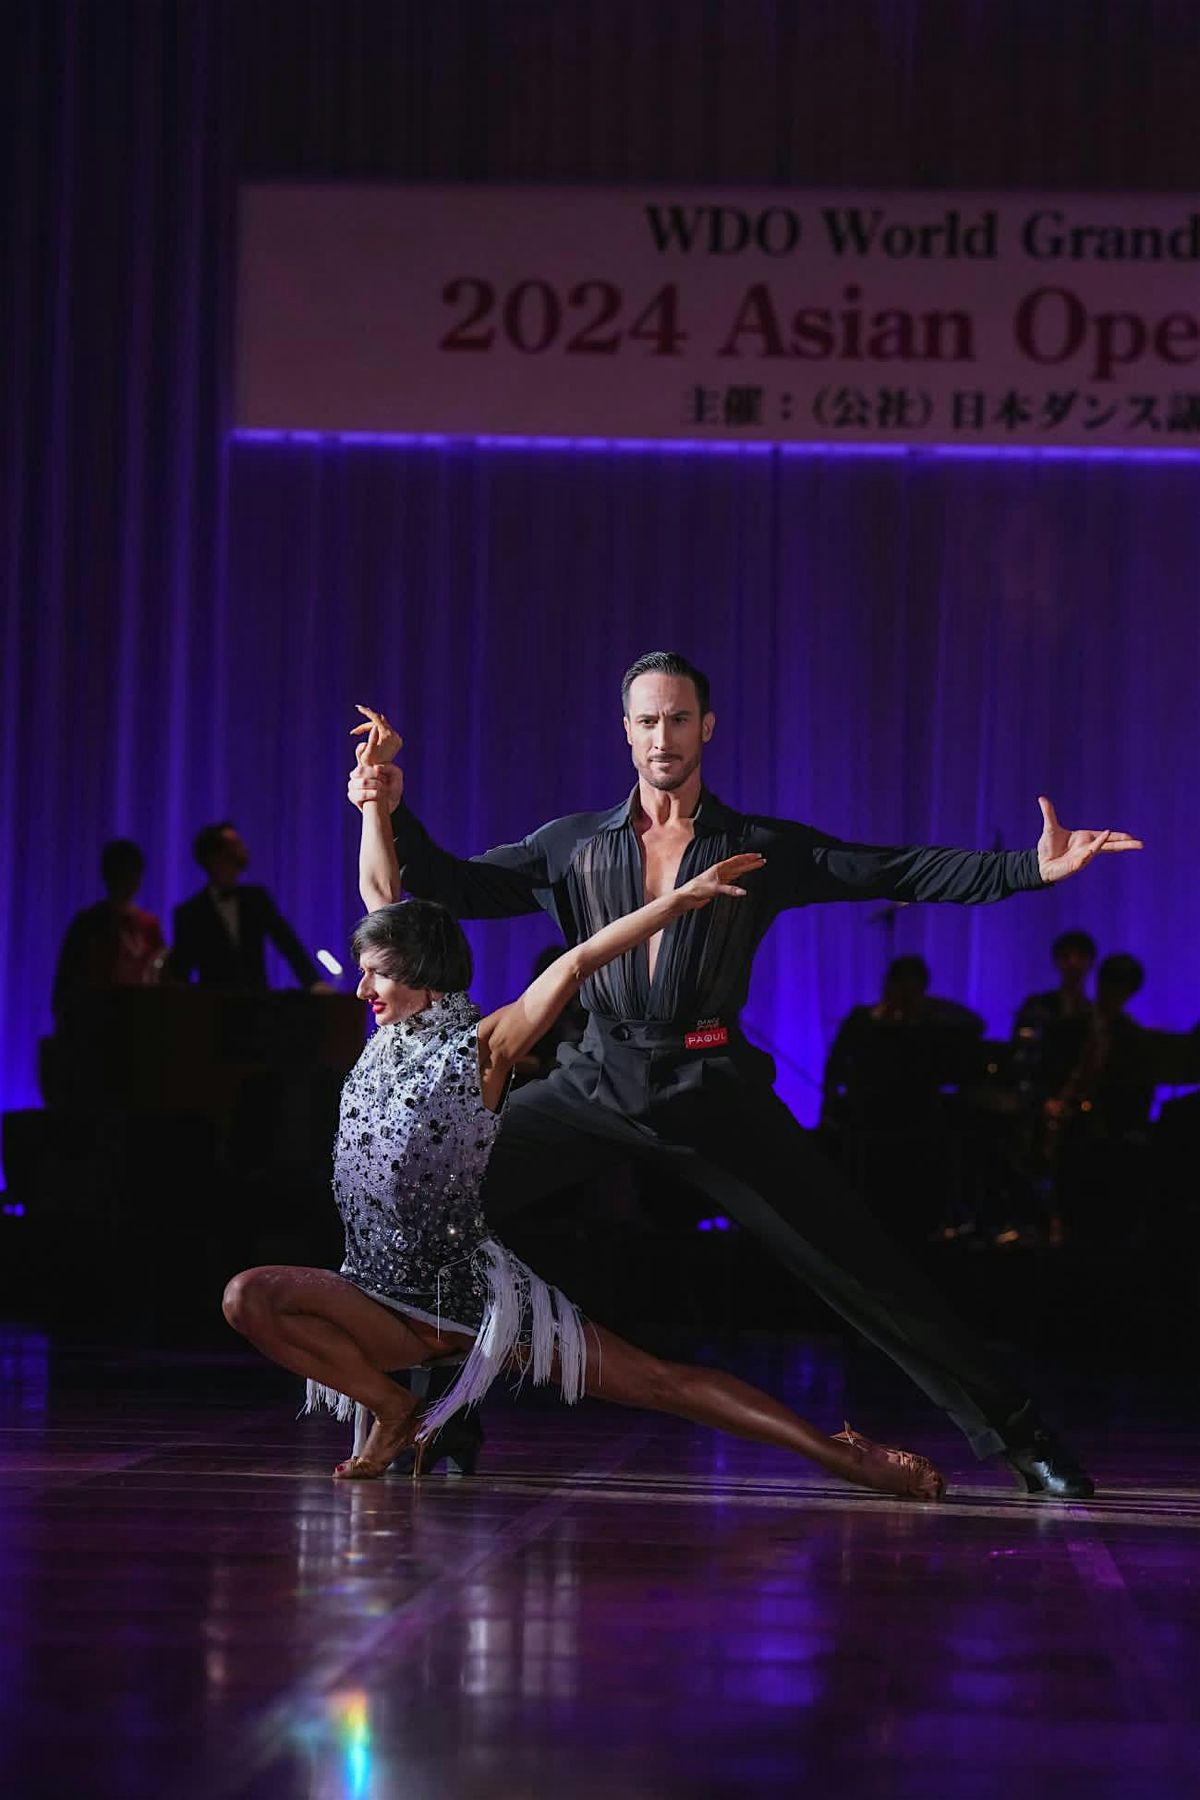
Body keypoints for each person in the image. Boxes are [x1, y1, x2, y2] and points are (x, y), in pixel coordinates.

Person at [347, 655, 1142, 1498]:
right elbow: (448, 886)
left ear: (706, 728)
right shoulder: (570, 846)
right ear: (626, 732)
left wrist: (1029, 868)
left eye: (679, 720)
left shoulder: (755, 848)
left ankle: (1023, 1437)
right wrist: (392, 809)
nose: (664, 737)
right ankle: (443, 1415)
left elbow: (891, 869)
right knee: (438, 1202)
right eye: (648, 721)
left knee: (862, 1264)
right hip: (596, 1080)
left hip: (710, 1090)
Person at [222, 722, 943, 1502]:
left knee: (659, 1384)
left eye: (374, 977)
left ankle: (846, 1459)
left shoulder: (482, 1046)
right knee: (250, 1296)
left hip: (472, 1304)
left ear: (423, 975)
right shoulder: (388, 1022)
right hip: (377, 1295)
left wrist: (676, 902)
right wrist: (373, 798)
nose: (361, 991)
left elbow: (575, 962)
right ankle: (397, 1406)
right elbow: (380, 895)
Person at [170, 821, 329, 991]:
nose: (243, 849)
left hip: (257, 1004)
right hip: (213, 1008)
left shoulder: (256, 899)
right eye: (233, 846)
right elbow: (182, 970)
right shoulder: (190, 913)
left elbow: (288, 943)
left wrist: (314, 983)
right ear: (213, 856)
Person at [51, 839, 165, 1022]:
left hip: (139, 1020)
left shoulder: (149, 925)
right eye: (123, 873)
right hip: (98, 1019)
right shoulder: (88, 923)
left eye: (134, 873)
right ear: (108, 876)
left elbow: (159, 976)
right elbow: (68, 979)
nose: (129, 880)